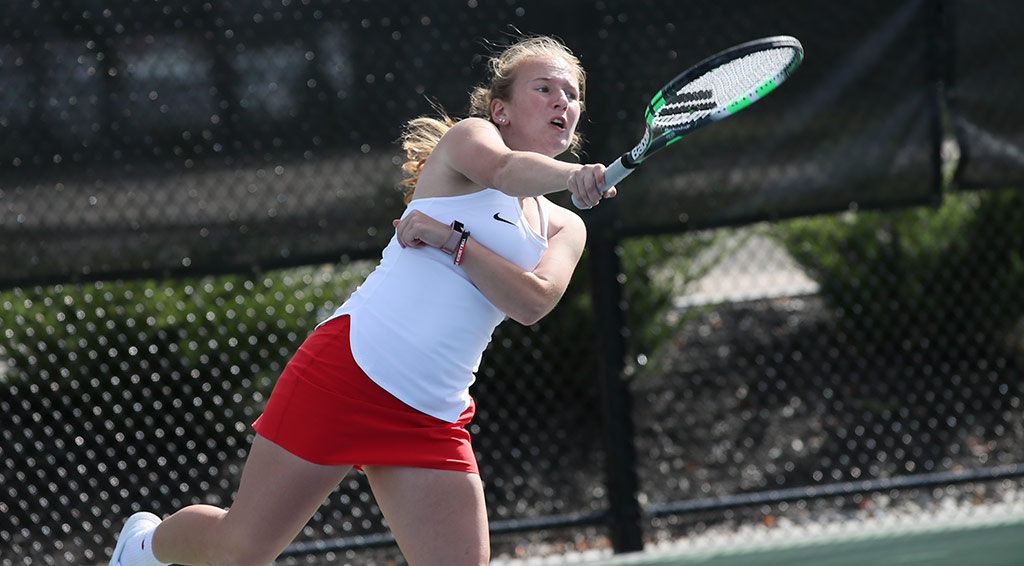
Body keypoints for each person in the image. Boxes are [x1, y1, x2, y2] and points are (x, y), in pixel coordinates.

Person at [108, 34, 616, 566]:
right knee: (241, 550)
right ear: (501, 109)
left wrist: (455, 242)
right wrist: (573, 177)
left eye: (572, 93)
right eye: (545, 88)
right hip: (349, 370)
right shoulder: (472, 141)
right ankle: (143, 547)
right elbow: (507, 172)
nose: (563, 101)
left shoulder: (565, 226)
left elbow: (532, 303)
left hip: (430, 412)